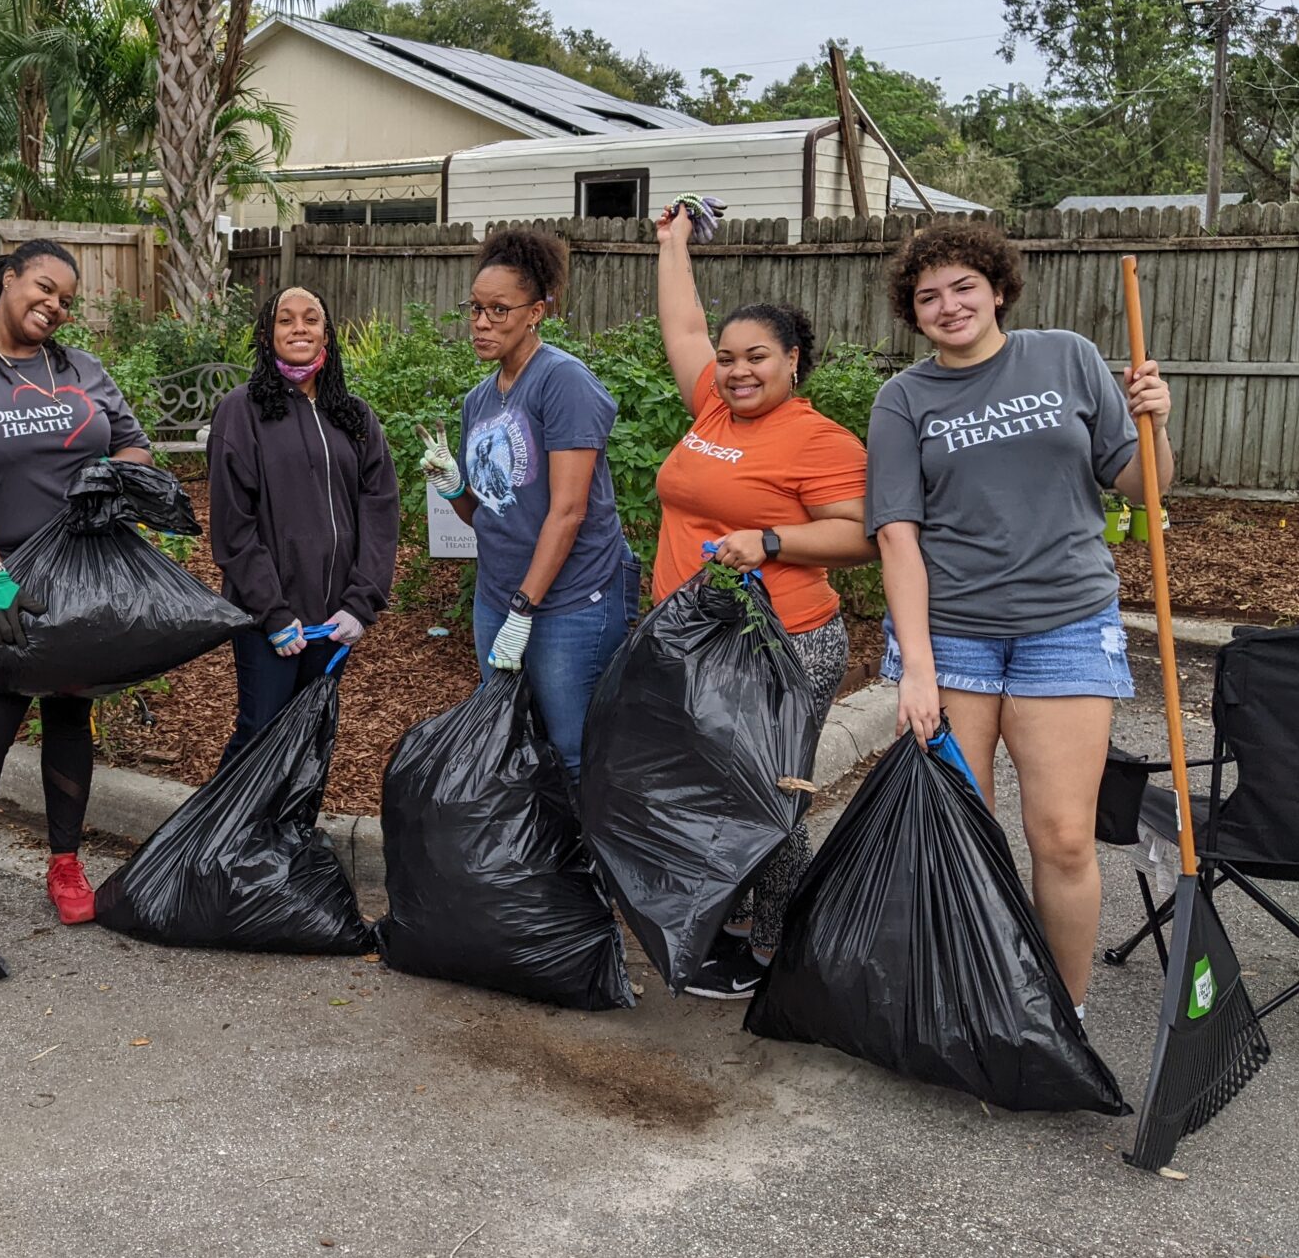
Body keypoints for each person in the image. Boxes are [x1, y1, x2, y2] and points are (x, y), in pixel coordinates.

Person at [866, 218, 1171, 1016]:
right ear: (914, 312)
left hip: (1066, 626)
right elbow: (898, 537)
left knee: (1063, 836)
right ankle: (977, 1003)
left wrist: (1155, 423)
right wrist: (917, 669)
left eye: (964, 286)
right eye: (928, 296)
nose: (949, 304)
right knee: (962, 836)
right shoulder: (903, 400)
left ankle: (1060, 1017)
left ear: (998, 289)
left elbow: (1143, 488)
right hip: (954, 634)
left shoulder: (1065, 356)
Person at [650, 199, 875, 999]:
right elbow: (683, 329)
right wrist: (674, 244)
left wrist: (773, 539)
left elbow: (861, 535)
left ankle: (777, 951)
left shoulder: (820, 440)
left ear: (793, 362)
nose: (738, 370)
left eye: (758, 358)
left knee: (769, 793)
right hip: (701, 639)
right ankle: (735, 919)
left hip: (782, 643)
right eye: (730, 357)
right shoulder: (713, 406)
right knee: (714, 781)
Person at [0, 239, 152, 924]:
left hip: (84, 568)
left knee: (72, 714)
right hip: (12, 574)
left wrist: (115, 479)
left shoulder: (82, 369)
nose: (54, 306)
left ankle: (66, 861)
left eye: (67, 301)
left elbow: (131, 441)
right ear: (8, 278)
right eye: (44, 288)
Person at [418, 227, 637, 784]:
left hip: (569, 600)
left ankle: (589, 865)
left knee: (571, 747)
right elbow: (487, 513)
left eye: (499, 310)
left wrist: (524, 608)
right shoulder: (479, 399)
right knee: (509, 737)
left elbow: (569, 512)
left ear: (536, 312)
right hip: (499, 596)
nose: (482, 322)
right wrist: (452, 489)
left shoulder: (563, 383)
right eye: (475, 309)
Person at [208, 285, 399, 770]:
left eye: (310, 319)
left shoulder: (354, 416)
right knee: (261, 732)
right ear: (267, 336)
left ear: (326, 335)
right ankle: (231, 842)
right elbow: (234, 525)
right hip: (268, 620)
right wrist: (270, 613)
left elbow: (380, 510)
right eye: (285, 319)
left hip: (333, 622)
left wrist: (361, 603)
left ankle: (294, 838)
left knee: (313, 734)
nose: (299, 328)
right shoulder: (242, 410)